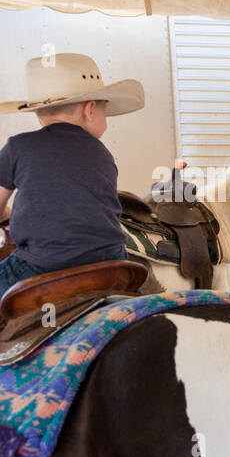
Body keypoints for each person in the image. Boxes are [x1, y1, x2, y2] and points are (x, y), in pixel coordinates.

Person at [0, 53, 144, 295]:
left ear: (38, 113)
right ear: (90, 110)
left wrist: (7, 216)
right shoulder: (102, 154)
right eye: (105, 111)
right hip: (110, 264)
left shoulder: (18, 146)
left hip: (41, 265)